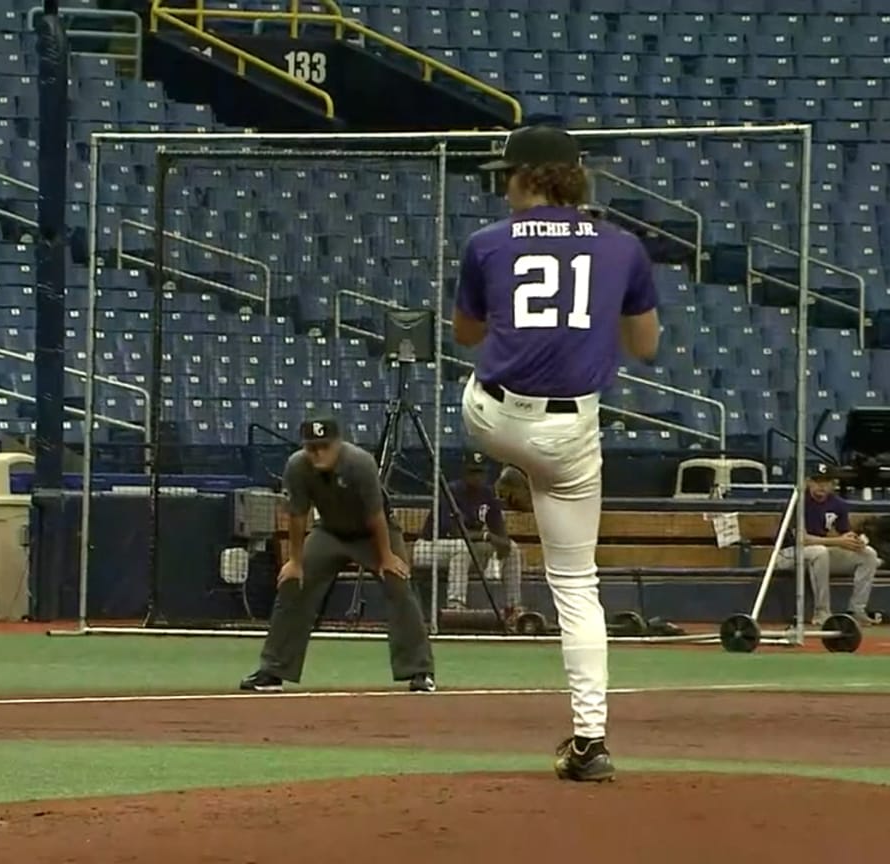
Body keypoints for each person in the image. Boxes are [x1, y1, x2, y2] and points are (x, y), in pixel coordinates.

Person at [454, 124, 661, 783]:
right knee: (577, 585)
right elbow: (646, 347)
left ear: (527, 177)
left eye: (507, 174)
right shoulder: (624, 246)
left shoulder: (486, 243)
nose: (502, 184)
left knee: (476, 388)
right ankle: (590, 742)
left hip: (495, 417)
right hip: (572, 435)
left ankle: (512, 474)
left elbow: (466, 334)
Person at [240, 416, 436, 693]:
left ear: (337, 444)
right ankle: (273, 671)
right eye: (312, 447)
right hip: (330, 531)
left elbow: (376, 515)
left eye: (324, 446)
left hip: (374, 533)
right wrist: (295, 562)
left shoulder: (360, 463)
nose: (318, 453)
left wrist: (386, 557)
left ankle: (419, 671)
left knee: (399, 584)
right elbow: (297, 515)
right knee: (293, 585)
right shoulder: (298, 466)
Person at [774, 465, 881, 627]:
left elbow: (844, 533)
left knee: (869, 554)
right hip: (787, 554)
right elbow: (801, 539)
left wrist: (855, 541)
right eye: (817, 482)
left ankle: (857, 610)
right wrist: (838, 541)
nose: (821, 486)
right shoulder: (798, 501)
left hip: (818, 553)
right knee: (820, 552)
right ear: (809, 483)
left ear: (833, 484)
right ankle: (821, 612)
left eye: (825, 482)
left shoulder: (837, 504)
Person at [417, 451, 522, 615]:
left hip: (469, 549)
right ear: (464, 473)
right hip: (429, 548)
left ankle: (513, 607)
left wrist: (500, 544)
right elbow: (453, 531)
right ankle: (455, 605)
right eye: (472, 472)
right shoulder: (452, 490)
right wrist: (486, 536)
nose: (477, 477)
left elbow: (502, 538)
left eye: (480, 472)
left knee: (513, 550)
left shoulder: (488, 495)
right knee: (461, 547)